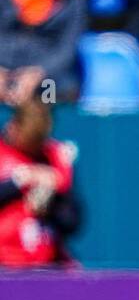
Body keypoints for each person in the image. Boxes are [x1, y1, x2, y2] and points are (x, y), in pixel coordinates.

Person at [0, 98, 79, 268]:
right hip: (6, 263)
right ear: (13, 127)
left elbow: (71, 221)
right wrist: (18, 182)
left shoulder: (55, 157)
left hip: (46, 262)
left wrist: (50, 203)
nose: (32, 148)